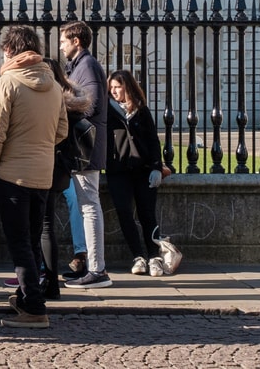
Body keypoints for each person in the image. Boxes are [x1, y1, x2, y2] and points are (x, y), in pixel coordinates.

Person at [0, 25, 67, 329]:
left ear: (10, 50)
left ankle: (34, 305)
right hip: (43, 175)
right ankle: (26, 295)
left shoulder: (7, 83)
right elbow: (62, 131)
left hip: (12, 175)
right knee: (32, 241)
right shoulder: (56, 86)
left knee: (19, 243)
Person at [59, 21, 112, 290]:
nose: (61, 46)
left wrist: (62, 103)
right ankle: (93, 266)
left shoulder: (87, 65)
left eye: (64, 41)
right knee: (86, 206)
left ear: (76, 41)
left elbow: (90, 105)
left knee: (90, 206)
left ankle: (97, 269)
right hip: (83, 148)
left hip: (86, 148)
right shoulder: (80, 65)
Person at [40, 57, 93, 300]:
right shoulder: (71, 101)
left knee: (39, 226)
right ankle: (50, 282)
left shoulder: (50, 100)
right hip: (63, 168)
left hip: (44, 165)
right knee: (46, 226)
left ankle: (42, 277)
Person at [106, 70, 169, 276]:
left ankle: (154, 256)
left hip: (143, 170)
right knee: (124, 213)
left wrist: (156, 167)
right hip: (118, 170)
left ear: (128, 87)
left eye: (118, 87)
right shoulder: (108, 111)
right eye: (112, 87)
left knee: (147, 214)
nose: (114, 91)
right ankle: (138, 256)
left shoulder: (142, 111)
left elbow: (153, 141)